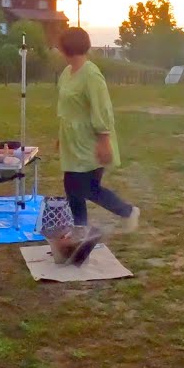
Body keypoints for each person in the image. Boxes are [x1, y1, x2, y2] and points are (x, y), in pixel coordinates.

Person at [55, 27, 140, 233]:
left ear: (67, 48)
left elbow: (101, 108)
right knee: (73, 188)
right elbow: (66, 108)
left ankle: (128, 211)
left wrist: (104, 140)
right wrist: (60, 136)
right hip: (72, 140)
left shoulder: (91, 74)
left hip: (90, 141)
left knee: (87, 188)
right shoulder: (67, 73)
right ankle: (80, 230)